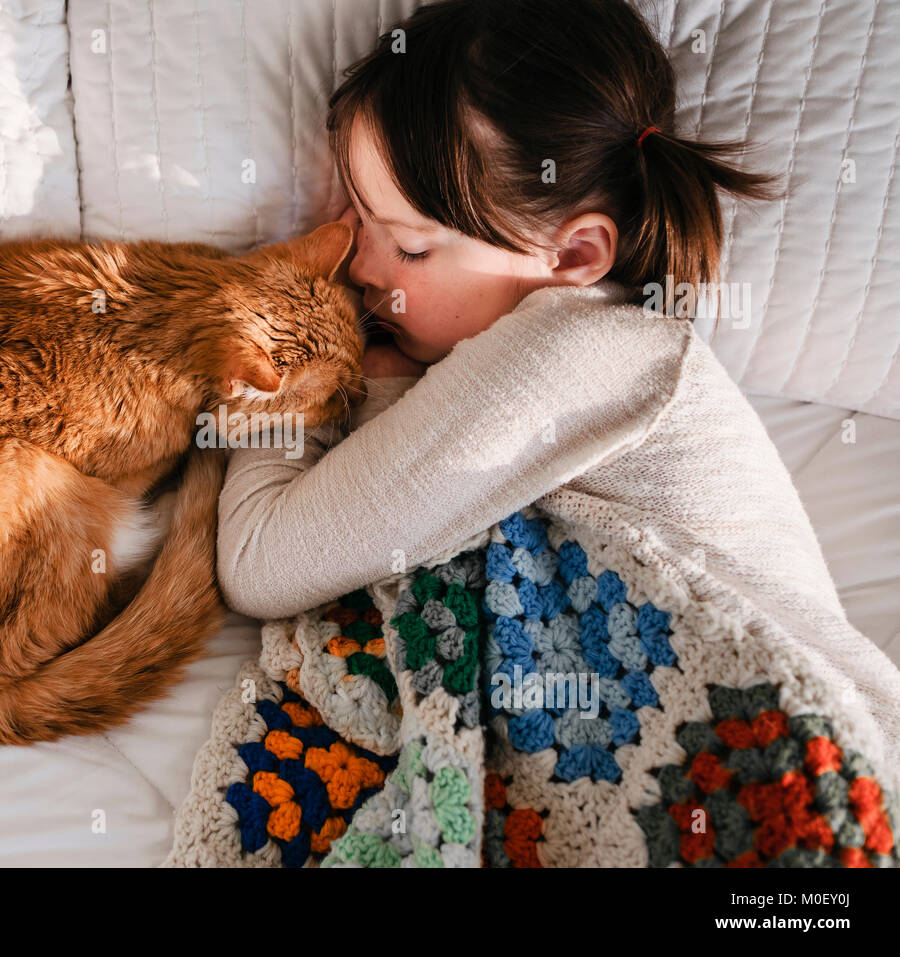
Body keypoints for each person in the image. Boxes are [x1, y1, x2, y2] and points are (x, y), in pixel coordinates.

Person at [215, 0, 900, 769]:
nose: (357, 266)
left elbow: (261, 560)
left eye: (407, 247)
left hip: (831, 751)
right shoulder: (578, 346)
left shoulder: (577, 352)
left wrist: (300, 356)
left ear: (574, 257)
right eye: (356, 218)